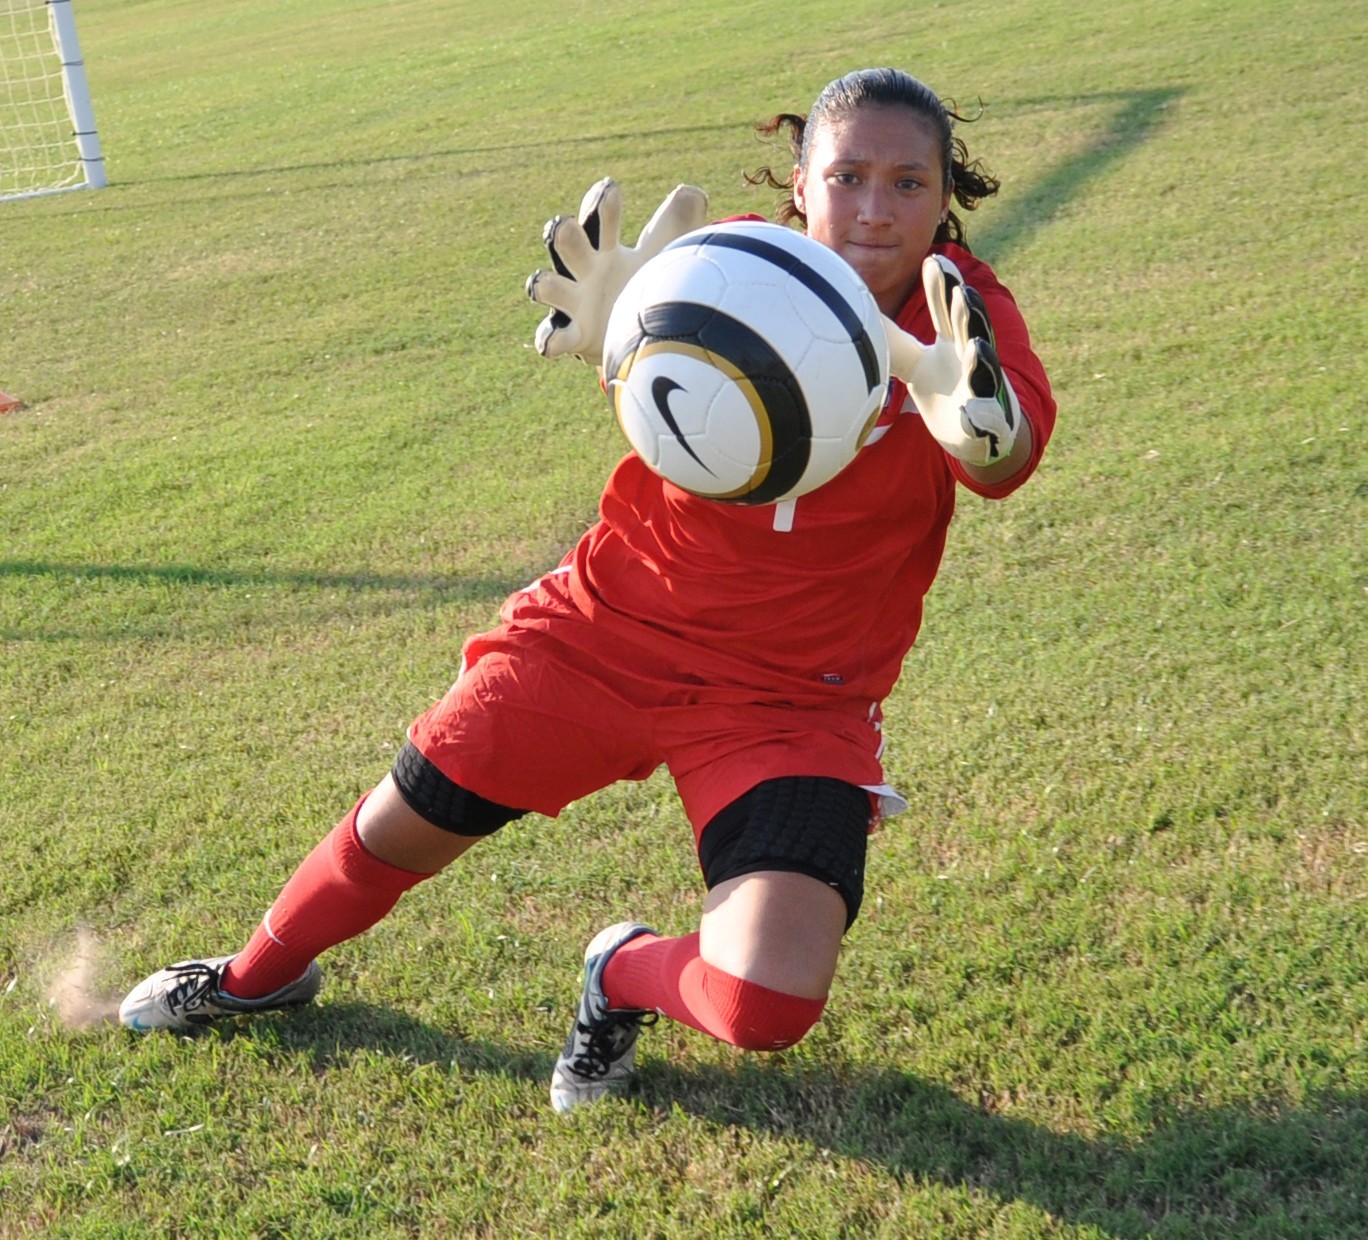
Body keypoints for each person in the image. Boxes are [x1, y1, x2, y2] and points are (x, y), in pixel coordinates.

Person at [119, 67, 1056, 1114]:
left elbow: (1003, 457)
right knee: (398, 830)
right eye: (847, 175)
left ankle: (619, 972)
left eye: (908, 182)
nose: (875, 209)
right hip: (606, 634)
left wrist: (979, 421)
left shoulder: (960, 311)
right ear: (801, 182)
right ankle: (256, 978)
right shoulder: (729, 264)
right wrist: (622, 340)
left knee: (766, 1002)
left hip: (794, 697)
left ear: (944, 194)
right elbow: (670, 403)